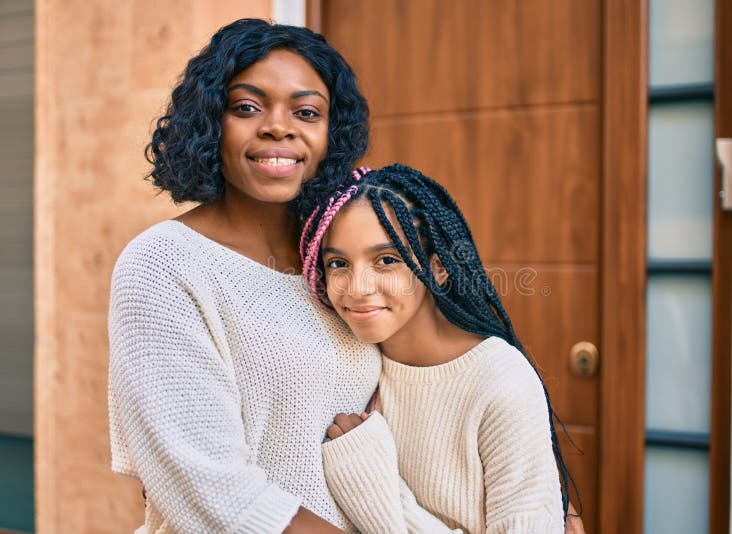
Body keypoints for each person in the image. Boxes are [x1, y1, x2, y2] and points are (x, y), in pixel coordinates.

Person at [107, 19, 378, 533]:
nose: (279, 127)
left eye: (306, 112)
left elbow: (448, 370)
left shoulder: (344, 257)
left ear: (329, 133)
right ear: (212, 124)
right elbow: (212, 487)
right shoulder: (162, 266)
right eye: (247, 108)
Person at [299, 164, 575, 533]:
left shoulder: (499, 380)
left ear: (439, 267)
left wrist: (375, 488)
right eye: (338, 263)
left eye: (386, 260)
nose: (358, 287)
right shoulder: (355, 361)